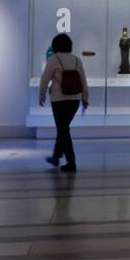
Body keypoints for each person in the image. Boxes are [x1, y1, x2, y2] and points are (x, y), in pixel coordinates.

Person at [39, 33, 89, 171]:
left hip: (59, 100)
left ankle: (71, 161)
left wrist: (42, 94)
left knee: (63, 129)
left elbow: (45, 79)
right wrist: (85, 98)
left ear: (55, 45)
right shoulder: (77, 60)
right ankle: (56, 156)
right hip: (74, 100)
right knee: (63, 129)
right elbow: (83, 81)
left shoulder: (54, 60)